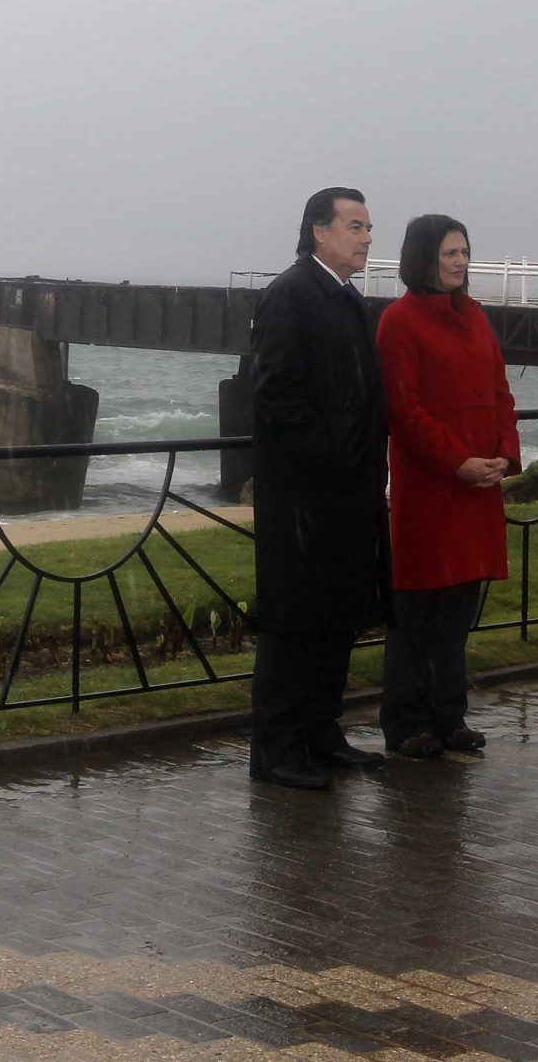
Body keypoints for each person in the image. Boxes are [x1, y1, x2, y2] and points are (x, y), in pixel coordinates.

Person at [244, 187, 393, 790]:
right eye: (355, 226)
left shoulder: (345, 297)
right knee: (294, 623)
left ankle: (321, 732)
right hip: (304, 497)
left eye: (368, 226)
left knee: (336, 618)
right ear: (318, 232)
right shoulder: (290, 295)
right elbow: (277, 393)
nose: (366, 237)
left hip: (349, 494)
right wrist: (329, 458)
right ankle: (277, 749)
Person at [375, 214, 520, 760]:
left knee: (459, 608)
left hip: (478, 482)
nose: (461, 262)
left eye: (464, 252)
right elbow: (404, 409)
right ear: (424, 257)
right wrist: (457, 461)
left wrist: (505, 454)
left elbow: (500, 389)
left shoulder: (478, 318)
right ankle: (407, 719)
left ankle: (449, 714)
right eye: (449, 253)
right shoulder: (399, 322)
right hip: (431, 489)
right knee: (418, 609)